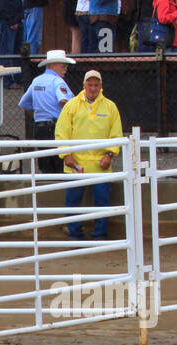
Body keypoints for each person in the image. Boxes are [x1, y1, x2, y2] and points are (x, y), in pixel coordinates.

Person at [55, 70, 122, 241]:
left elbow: (116, 134)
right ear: (84, 86)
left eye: (96, 85)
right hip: (76, 164)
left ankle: (99, 235)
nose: (93, 88)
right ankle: (75, 235)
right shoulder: (72, 105)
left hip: (101, 164)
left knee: (102, 202)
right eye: (90, 85)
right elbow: (62, 132)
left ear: (101, 86)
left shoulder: (110, 107)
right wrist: (66, 154)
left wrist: (109, 154)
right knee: (73, 203)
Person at [20, 48, 74, 174]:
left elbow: (24, 103)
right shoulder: (58, 81)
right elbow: (64, 101)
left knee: (45, 167)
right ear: (53, 65)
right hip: (56, 128)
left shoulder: (36, 81)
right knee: (60, 166)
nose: (65, 68)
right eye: (63, 65)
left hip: (39, 128)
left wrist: (38, 116)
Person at [0, 0, 24, 86]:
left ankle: (19, 79)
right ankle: (7, 81)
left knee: (17, 52)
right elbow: (2, 5)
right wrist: (12, 20)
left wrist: (17, 19)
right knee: (6, 52)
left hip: (16, 20)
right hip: (7, 21)